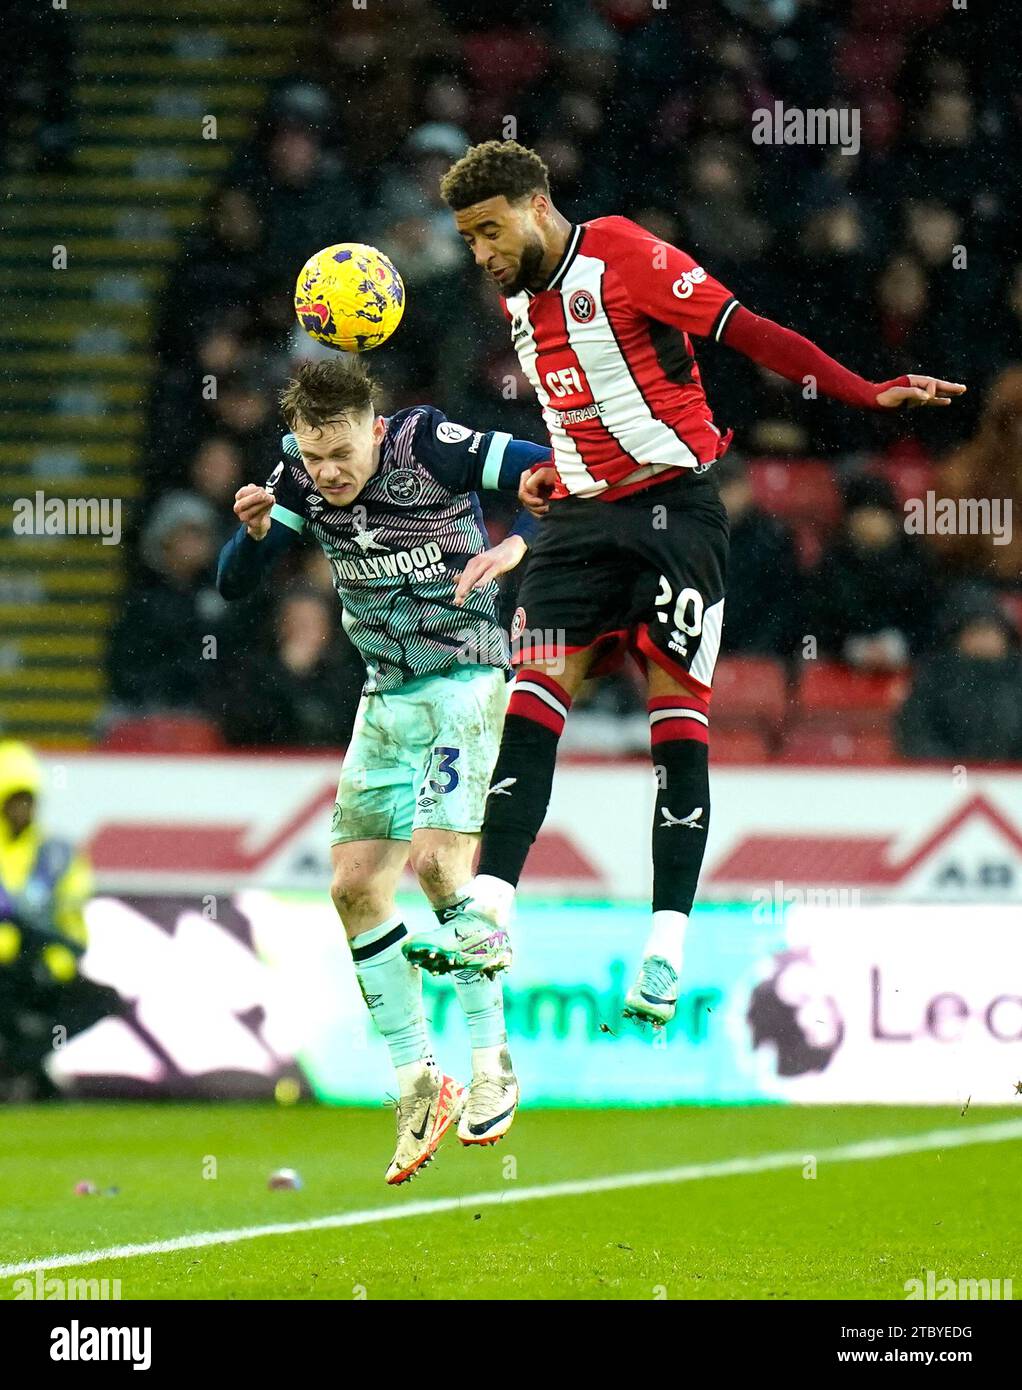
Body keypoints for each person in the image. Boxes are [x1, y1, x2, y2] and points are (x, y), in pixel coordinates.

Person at [406, 138, 965, 1028]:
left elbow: (748, 330)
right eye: (468, 239)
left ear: (535, 204)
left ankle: (665, 947)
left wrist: (861, 392)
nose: (480, 254)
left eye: (487, 231)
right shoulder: (518, 301)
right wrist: (544, 485)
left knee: (677, 734)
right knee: (530, 705)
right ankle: (490, 915)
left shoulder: (622, 253)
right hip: (580, 528)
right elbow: (573, 409)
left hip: (675, 521)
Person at [216, 356, 549, 1183]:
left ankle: (492, 1063)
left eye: (341, 455)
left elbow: (554, 476)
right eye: (312, 456)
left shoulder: (431, 443)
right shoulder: (295, 474)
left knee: (439, 865)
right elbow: (231, 586)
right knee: (354, 888)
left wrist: (514, 546)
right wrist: (254, 534)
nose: (326, 474)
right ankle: (417, 1083)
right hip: (386, 694)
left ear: (374, 426)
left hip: (468, 677)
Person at [0, 741, 116, 1100]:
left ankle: (18, 1066)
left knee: (103, 999)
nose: (23, 809)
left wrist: (54, 964)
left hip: (41, 965)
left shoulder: (57, 854)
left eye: (28, 800)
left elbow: (72, 919)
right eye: (14, 800)